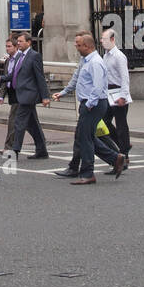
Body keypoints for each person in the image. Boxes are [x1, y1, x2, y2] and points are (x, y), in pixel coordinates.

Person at [52, 32, 124, 184]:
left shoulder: (95, 62)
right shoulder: (85, 60)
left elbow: (98, 87)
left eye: (78, 45)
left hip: (94, 104)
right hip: (90, 103)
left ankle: (88, 173)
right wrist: (64, 92)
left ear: (87, 46)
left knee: (85, 139)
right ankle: (115, 158)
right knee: (87, 137)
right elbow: (76, 79)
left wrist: (89, 104)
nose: (76, 47)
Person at [8, 31, 51, 161]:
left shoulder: (34, 56)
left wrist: (45, 96)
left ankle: (15, 151)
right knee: (32, 124)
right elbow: (14, 75)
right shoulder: (19, 56)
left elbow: (40, 77)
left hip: (29, 95)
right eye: (18, 41)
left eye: (21, 41)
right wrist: (1, 78)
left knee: (19, 122)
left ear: (29, 42)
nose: (18, 43)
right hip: (20, 94)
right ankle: (42, 150)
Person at [100, 26, 131, 165]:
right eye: (101, 39)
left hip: (118, 93)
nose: (102, 41)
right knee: (104, 122)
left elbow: (125, 77)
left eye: (104, 39)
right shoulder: (105, 56)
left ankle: (124, 153)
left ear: (112, 39)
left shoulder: (119, 56)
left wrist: (123, 96)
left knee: (121, 124)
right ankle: (122, 144)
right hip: (108, 94)